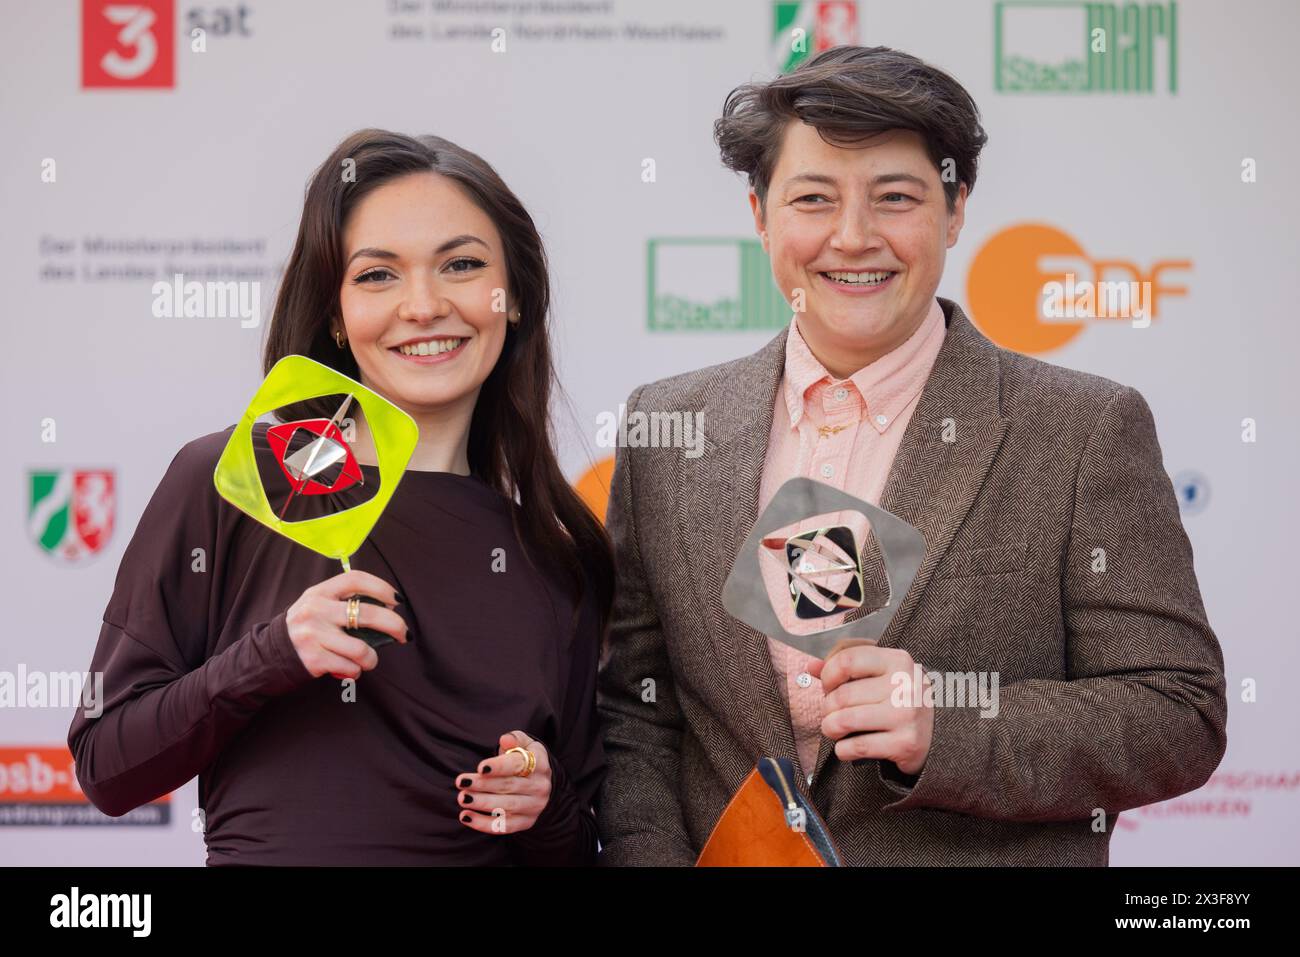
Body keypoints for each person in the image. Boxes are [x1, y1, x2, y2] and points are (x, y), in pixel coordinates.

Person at [596, 46, 1227, 866]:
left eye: (896, 198)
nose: (853, 238)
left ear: (955, 209)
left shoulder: (1082, 429)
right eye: (813, 199)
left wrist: (947, 724)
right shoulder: (667, 428)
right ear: (759, 216)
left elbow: (1179, 711)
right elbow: (635, 713)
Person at [68, 129, 614, 866]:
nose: (422, 306)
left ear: (512, 297)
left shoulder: (558, 559)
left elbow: (585, 844)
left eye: (461, 265)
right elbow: (107, 767)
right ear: (333, 313)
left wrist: (545, 808)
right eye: (377, 276)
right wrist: (270, 654)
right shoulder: (232, 481)